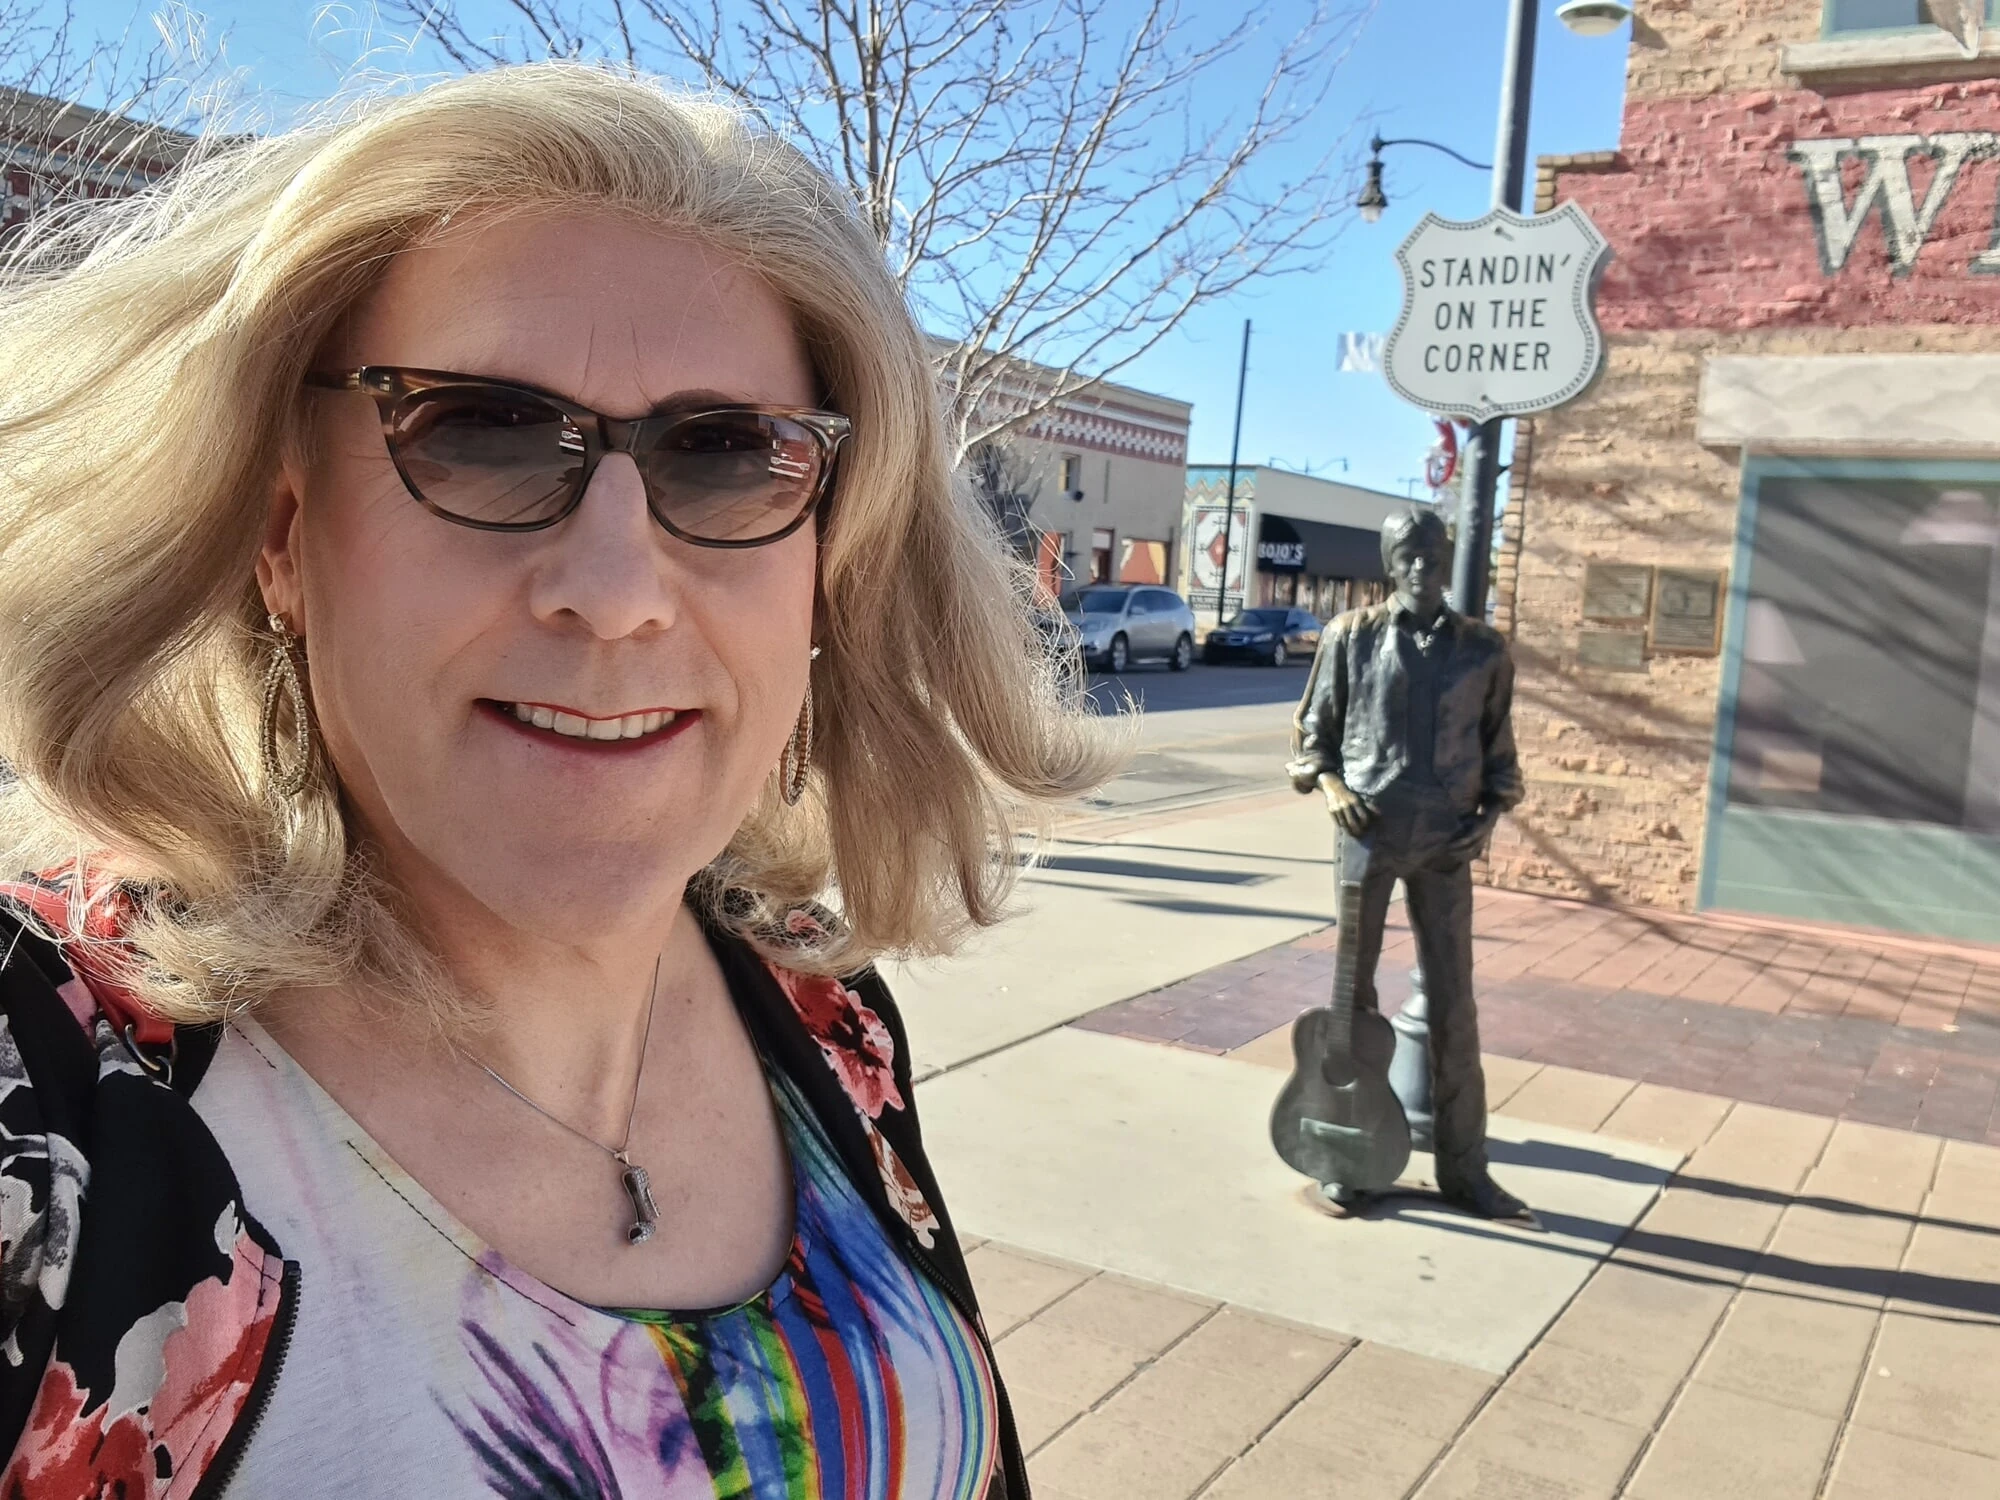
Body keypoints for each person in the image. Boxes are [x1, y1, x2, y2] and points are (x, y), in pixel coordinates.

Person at [0, 65, 1114, 1498]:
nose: (615, 589)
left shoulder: (825, 1020)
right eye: (479, 431)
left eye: (728, 460)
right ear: (281, 535)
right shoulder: (53, 1094)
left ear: (828, 573)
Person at [1286, 508, 1529, 1221]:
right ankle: (1348, 1157)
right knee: (1350, 1003)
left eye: (1432, 556)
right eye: (1409, 556)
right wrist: (1332, 789)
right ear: (1391, 562)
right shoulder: (1350, 637)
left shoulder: (1484, 652)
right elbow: (1312, 737)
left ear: (1447, 561)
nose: (1421, 567)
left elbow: (1501, 760)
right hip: (1367, 834)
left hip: (1446, 844)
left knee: (1456, 1005)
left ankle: (1466, 1170)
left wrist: (1482, 824)